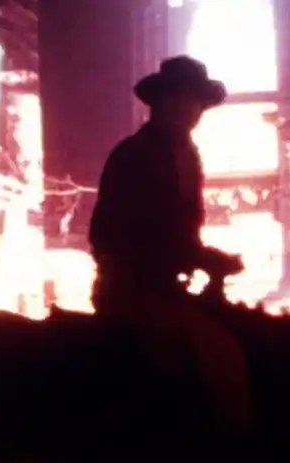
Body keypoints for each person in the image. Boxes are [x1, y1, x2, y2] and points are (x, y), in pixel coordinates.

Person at [88, 56, 251, 438]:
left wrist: (203, 257)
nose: (184, 108)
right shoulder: (133, 154)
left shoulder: (188, 156)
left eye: (192, 100)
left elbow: (183, 232)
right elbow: (113, 232)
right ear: (156, 103)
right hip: (132, 286)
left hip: (169, 287)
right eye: (175, 98)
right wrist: (199, 257)